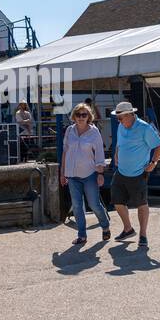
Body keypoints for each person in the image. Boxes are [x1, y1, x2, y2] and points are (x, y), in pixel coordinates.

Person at [110, 101, 160, 248]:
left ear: (129, 115)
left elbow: (159, 145)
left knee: (142, 204)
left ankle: (143, 235)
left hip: (138, 173)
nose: (118, 121)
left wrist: (153, 163)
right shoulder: (121, 126)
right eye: (118, 118)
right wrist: (116, 153)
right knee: (117, 201)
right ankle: (128, 229)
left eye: (120, 117)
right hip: (121, 171)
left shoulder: (144, 128)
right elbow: (119, 143)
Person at [60, 104, 110, 245]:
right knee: (76, 206)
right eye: (78, 115)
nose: (81, 117)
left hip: (90, 174)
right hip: (72, 175)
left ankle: (105, 226)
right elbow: (65, 152)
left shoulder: (94, 133)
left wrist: (100, 174)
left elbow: (100, 154)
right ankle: (82, 235)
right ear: (74, 117)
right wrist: (62, 173)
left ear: (89, 117)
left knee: (94, 204)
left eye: (84, 115)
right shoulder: (69, 131)